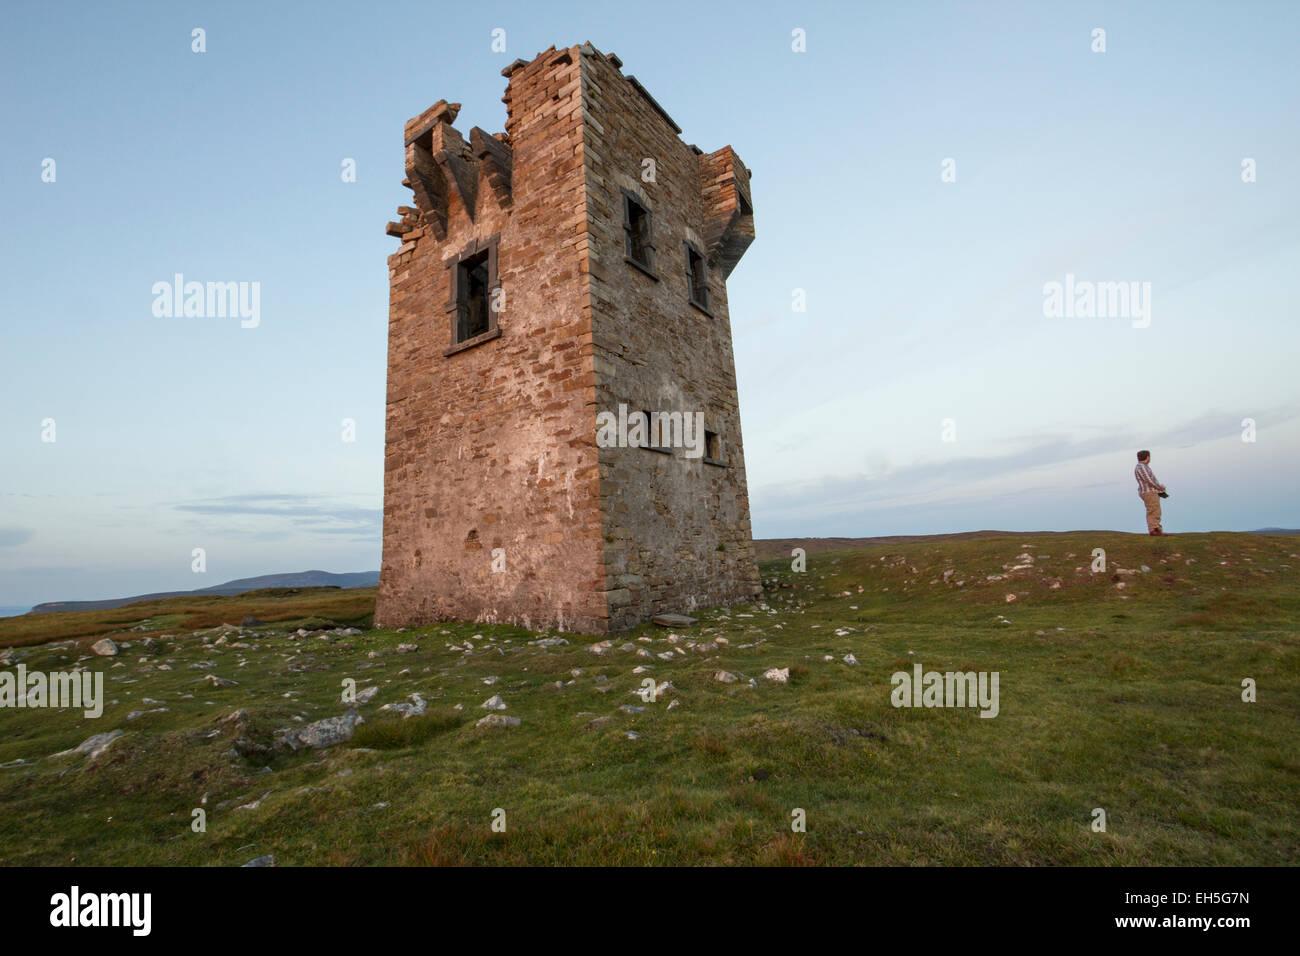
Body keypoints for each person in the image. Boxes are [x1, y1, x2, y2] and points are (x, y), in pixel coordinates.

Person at [1134, 450, 1168, 535]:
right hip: (1149, 492)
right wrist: (1160, 487)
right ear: (1148, 457)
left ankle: (1156, 529)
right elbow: (1149, 480)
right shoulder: (1142, 467)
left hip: (1149, 491)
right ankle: (1154, 530)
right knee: (1153, 510)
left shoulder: (1142, 466)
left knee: (1155, 510)